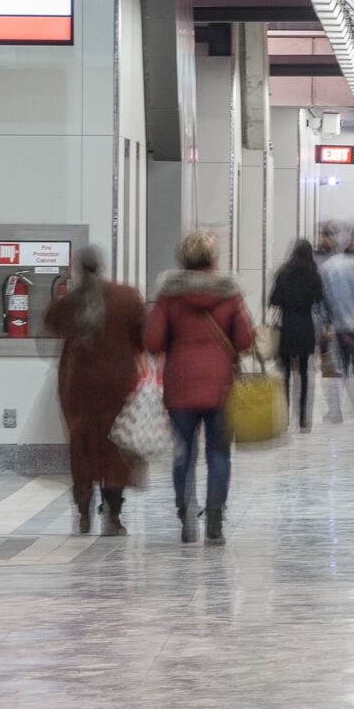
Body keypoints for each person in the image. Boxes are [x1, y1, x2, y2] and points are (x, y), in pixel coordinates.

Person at [144, 230, 253, 545]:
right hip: (220, 387)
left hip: (179, 388)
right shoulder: (230, 293)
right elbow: (245, 340)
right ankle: (216, 512)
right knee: (219, 453)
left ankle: (186, 512)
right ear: (214, 259)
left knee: (184, 454)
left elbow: (152, 341)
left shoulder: (169, 295)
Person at [44, 245, 146, 537]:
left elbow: (51, 323)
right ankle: (113, 516)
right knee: (115, 446)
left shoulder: (70, 302)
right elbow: (143, 336)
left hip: (78, 385)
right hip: (118, 383)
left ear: (79, 268)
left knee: (82, 445)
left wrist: (63, 288)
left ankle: (84, 513)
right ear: (101, 265)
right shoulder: (126, 297)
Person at [320, 224, 354, 426]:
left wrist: (325, 325)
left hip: (336, 328)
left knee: (337, 371)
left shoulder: (327, 268)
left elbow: (323, 300)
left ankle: (335, 412)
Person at [269, 239, 323, 430]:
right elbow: (319, 299)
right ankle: (303, 418)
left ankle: (284, 414)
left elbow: (274, 300)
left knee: (285, 374)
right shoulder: (313, 275)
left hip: (287, 324)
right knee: (303, 372)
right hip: (305, 325)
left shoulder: (283, 273)